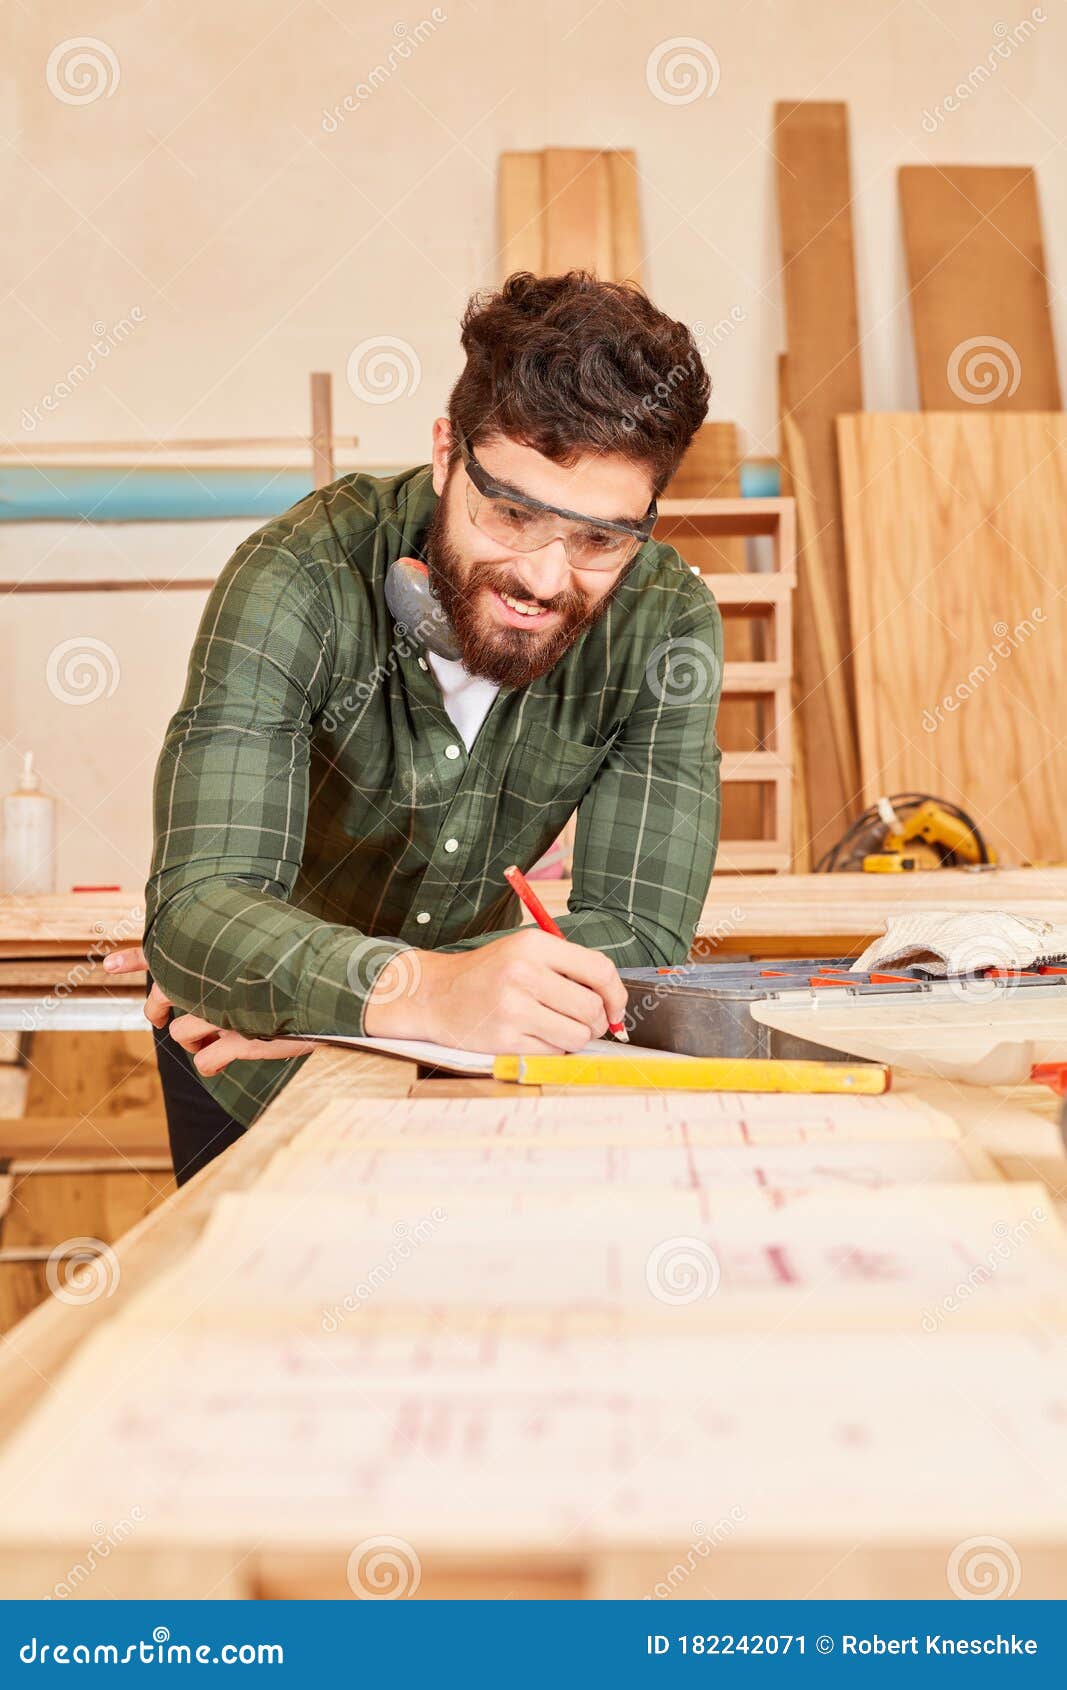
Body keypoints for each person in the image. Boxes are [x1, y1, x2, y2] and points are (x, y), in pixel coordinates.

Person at [107, 270, 723, 1183]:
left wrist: (373, 1005)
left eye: (600, 540)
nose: (546, 579)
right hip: (241, 1054)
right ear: (445, 455)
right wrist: (411, 994)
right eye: (511, 514)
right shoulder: (298, 577)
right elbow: (200, 906)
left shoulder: (666, 625)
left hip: (444, 1058)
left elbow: (637, 931)